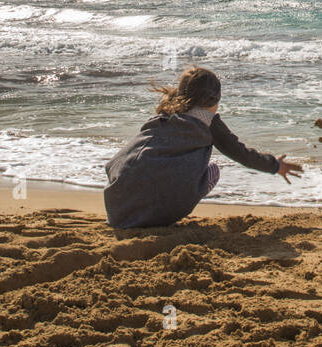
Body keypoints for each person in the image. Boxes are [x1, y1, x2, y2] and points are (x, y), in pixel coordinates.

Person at [103, 65, 302, 229]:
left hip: (117, 209)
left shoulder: (162, 117)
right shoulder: (208, 122)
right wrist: (275, 166)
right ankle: (164, 208)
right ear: (215, 98)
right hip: (159, 214)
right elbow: (242, 154)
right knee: (213, 170)